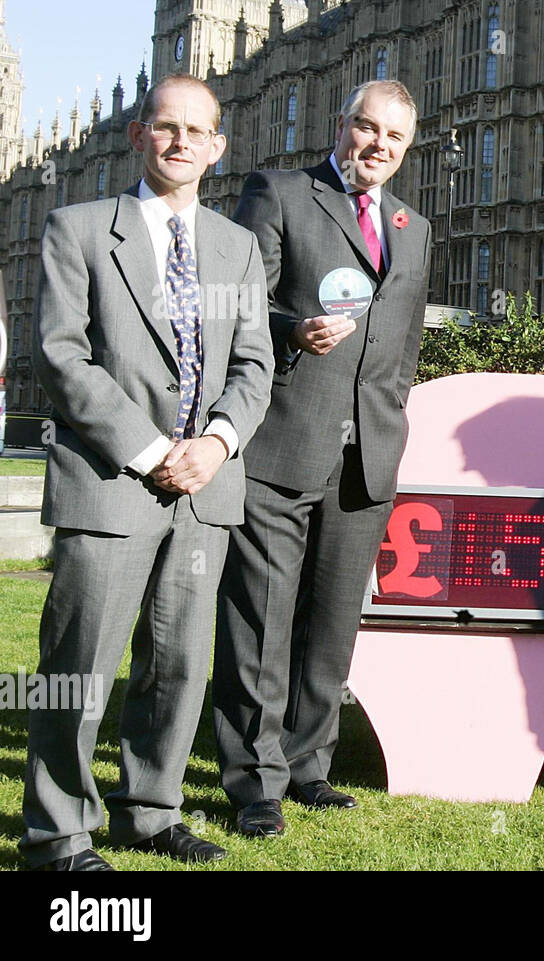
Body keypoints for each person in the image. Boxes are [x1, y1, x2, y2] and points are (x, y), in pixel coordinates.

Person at [21, 74, 273, 870]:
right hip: (110, 480)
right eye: (166, 127)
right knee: (79, 665)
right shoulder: (80, 227)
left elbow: (254, 363)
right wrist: (151, 448)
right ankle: (59, 830)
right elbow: (63, 355)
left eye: (199, 130)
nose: (181, 141)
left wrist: (219, 442)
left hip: (206, 490)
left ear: (219, 147)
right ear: (138, 136)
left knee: (179, 666)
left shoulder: (236, 246)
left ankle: (151, 809)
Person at [213, 80, 432, 837]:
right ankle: (253, 783)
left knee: (332, 626)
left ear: (406, 149)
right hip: (281, 440)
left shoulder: (414, 226)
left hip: (364, 459)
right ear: (341, 126)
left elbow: (402, 352)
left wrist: (390, 428)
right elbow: (234, 306)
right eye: (365, 128)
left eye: (392, 138)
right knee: (262, 622)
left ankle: (309, 767)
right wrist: (288, 328)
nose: (375, 145)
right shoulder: (278, 192)